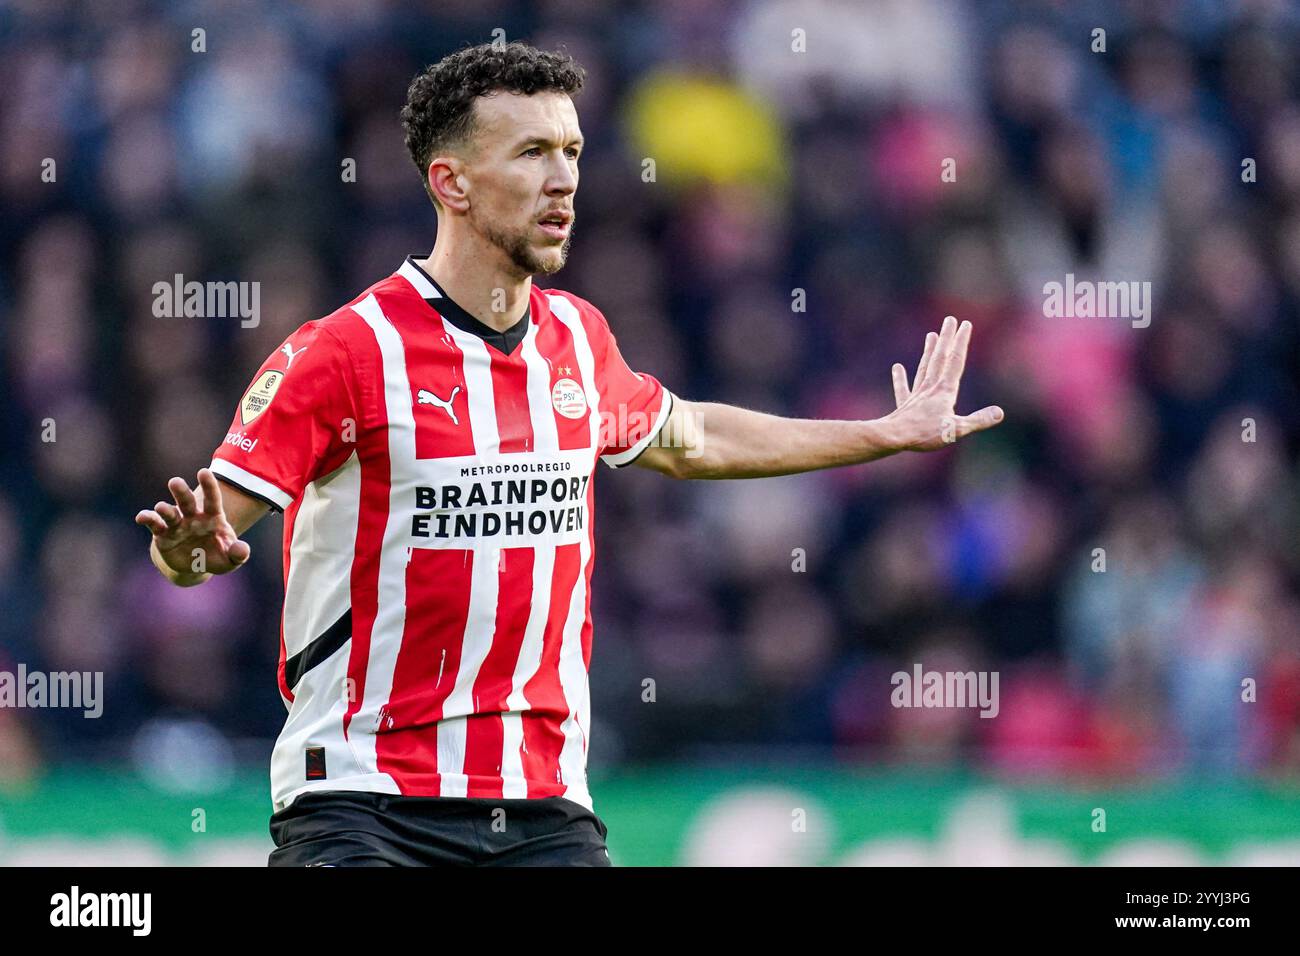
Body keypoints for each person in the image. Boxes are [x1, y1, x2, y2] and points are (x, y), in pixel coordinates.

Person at [134, 42, 1003, 866]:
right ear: (453, 183)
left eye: (573, 151)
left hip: (541, 799)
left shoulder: (579, 340)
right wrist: (186, 554)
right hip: (363, 801)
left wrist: (882, 433)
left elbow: (692, 439)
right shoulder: (348, 352)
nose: (563, 181)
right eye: (532, 154)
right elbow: (207, 529)